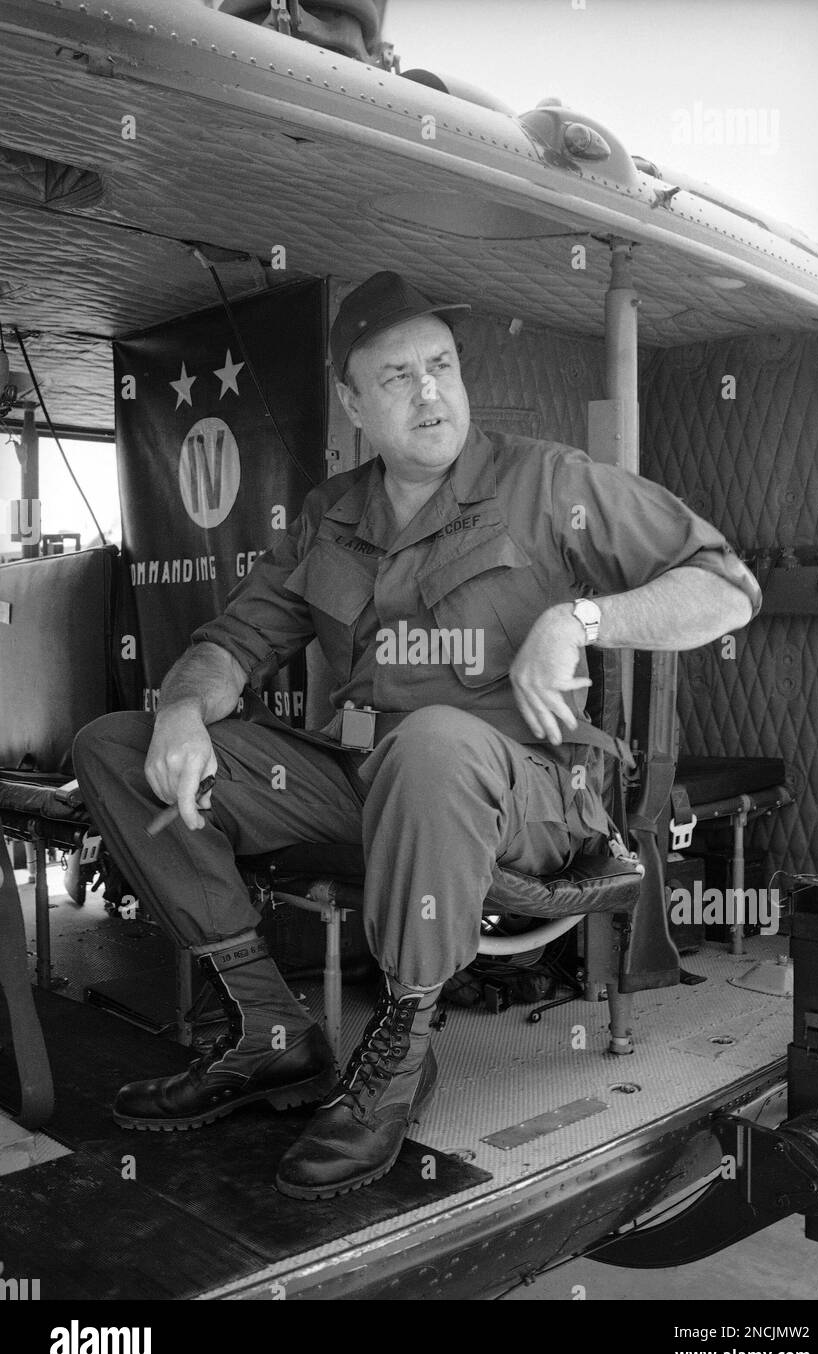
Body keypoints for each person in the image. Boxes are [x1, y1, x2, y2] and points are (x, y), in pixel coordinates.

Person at [74, 271, 761, 1199]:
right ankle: (266, 1028)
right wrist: (184, 709)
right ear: (354, 404)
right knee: (115, 747)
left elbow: (724, 587)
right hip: (367, 780)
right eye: (397, 377)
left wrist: (580, 620)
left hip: (526, 794)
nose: (429, 391)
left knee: (434, 741)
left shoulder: (547, 481)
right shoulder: (329, 515)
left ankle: (399, 1053)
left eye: (441, 366)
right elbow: (230, 645)